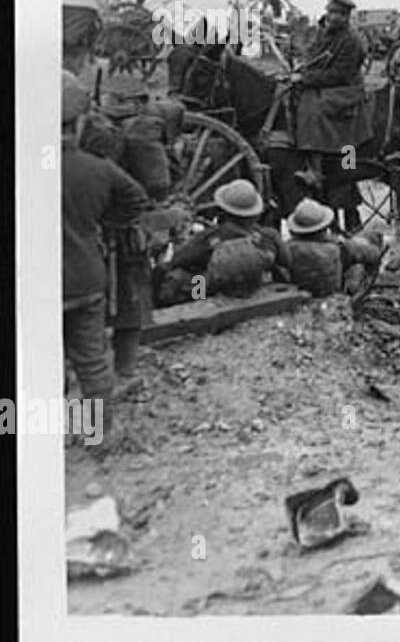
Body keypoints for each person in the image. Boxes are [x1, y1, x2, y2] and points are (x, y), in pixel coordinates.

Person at [62, 75, 150, 444]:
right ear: (78, 123)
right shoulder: (97, 168)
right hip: (86, 277)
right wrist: (103, 222)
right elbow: (136, 199)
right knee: (92, 361)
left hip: (36, 285)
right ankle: (95, 435)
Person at [292, 0, 369, 190]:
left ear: (346, 16)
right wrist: (302, 68)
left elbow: (339, 75)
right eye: (329, 12)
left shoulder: (352, 41)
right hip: (327, 83)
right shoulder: (325, 34)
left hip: (347, 88)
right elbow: (313, 57)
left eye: (336, 13)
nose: (330, 17)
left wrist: (305, 79)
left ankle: (315, 170)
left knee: (314, 107)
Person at [164, 179, 285, 298]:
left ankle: (194, 301)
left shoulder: (210, 237)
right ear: (255, 213)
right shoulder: (268, 235)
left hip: (212, 290)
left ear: (223, 210)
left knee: (176, 277)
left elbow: (179, 259)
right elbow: (286, 261)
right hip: (252, 288)